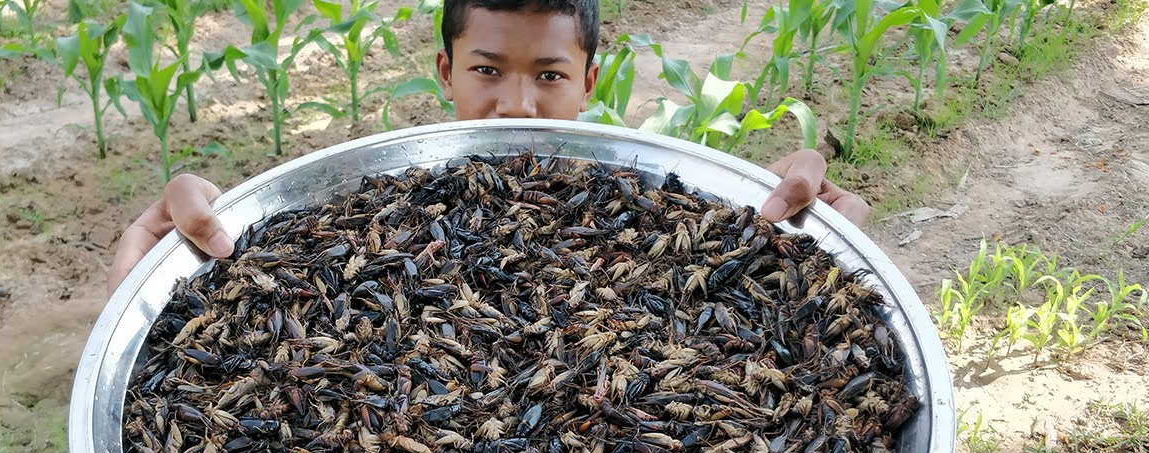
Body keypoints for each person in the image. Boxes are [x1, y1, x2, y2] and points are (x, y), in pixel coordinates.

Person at [108, 0, 869, 293]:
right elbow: (238, 256)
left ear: (591, 80)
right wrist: (150, 283)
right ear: (444, 71)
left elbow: (747, 254)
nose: (516, 102)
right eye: (486, 70)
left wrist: (811, 239)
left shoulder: (657, 207)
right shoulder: (372, 211)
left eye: (549, 74)